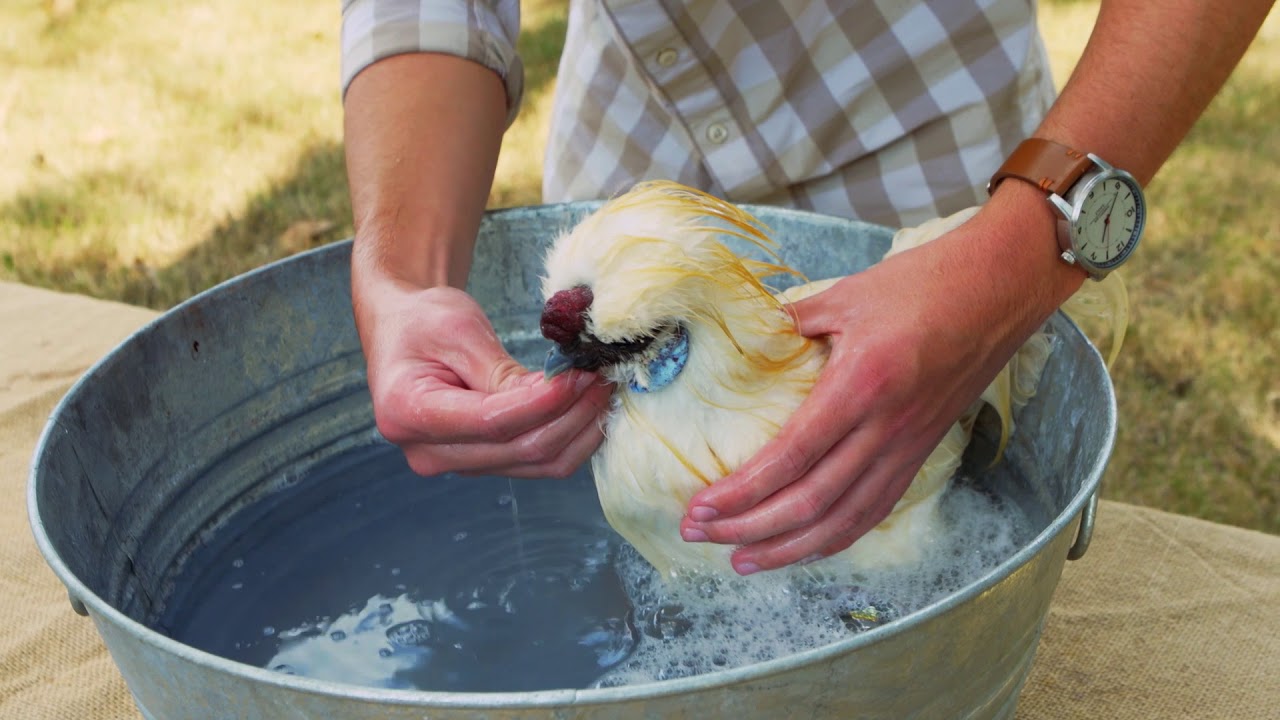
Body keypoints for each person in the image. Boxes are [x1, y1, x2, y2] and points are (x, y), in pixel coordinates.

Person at [339, 0, 1274, 576]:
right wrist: (404, 276)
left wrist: (1014, 260)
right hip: (632, 182)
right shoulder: (607, 290)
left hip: (942, 152)